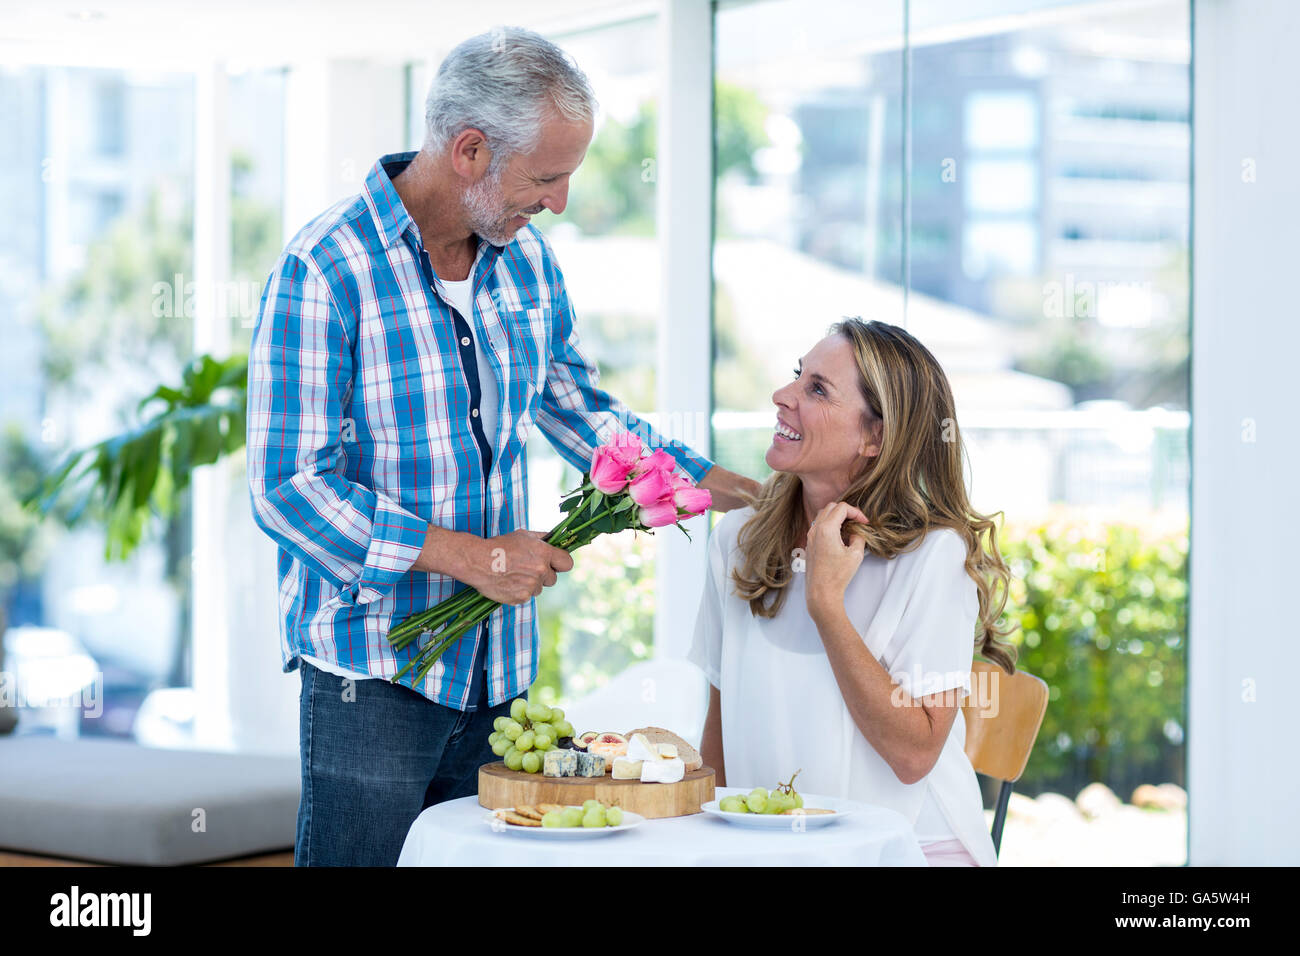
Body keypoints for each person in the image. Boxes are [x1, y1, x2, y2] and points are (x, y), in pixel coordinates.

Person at [245, 27, 758, 866]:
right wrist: (471, 559)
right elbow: (288, 489)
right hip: (371, 674)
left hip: (498, 674)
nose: (559, 202)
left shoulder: (526, 266)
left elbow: (576, 408)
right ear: (471, 150)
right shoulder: (324, 270)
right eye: (547, 177)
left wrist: (710, 480)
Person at [688, 318, 1018, 867]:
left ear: (876, 438)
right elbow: (719, 727)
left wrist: (826, 605)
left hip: (909, 848)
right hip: (776, 849)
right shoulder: (737, 540)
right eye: (799, 376)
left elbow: (914, 756)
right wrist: (708, 837)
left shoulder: (933, 556)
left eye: (817, 389)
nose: (782, 396)